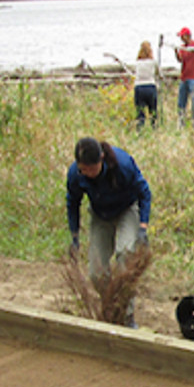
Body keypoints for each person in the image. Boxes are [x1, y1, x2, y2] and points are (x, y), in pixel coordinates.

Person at [66, 137, 152, 328]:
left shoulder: (123, 165)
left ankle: (127, 316)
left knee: (125, 256)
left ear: (102, 159)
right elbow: (73, 202)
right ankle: (112, 308)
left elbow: (144, 193)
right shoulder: (75, 174)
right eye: (83, 169)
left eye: (91, 169)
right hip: (100, 215)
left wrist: (142, 229)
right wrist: (74, 237)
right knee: (96, 272)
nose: (87, 174)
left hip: (126, 209)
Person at [133, 40, 159, 130]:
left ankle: (140, 129)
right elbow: (157, 72)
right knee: (153, 110)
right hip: (150, 86)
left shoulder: (137, 63)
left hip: (139, 87)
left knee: (140, 111)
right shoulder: (153, 62)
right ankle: (154, 128)